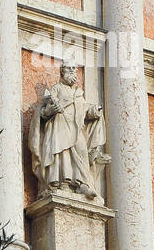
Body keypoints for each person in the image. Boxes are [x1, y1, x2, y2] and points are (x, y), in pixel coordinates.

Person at [28, 63, 107, 199]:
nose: (72, 72)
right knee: (61, 154)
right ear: (62, 72)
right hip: (59, 127)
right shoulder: (56, 89)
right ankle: (61, 183)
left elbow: (85, 110)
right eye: (69, 69)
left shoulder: (78, 93)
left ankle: (84, 184)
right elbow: (46, 109)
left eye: (74, 70)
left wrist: (95, 110)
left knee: (82, 152)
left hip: (75, 128)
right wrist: (50, 110)